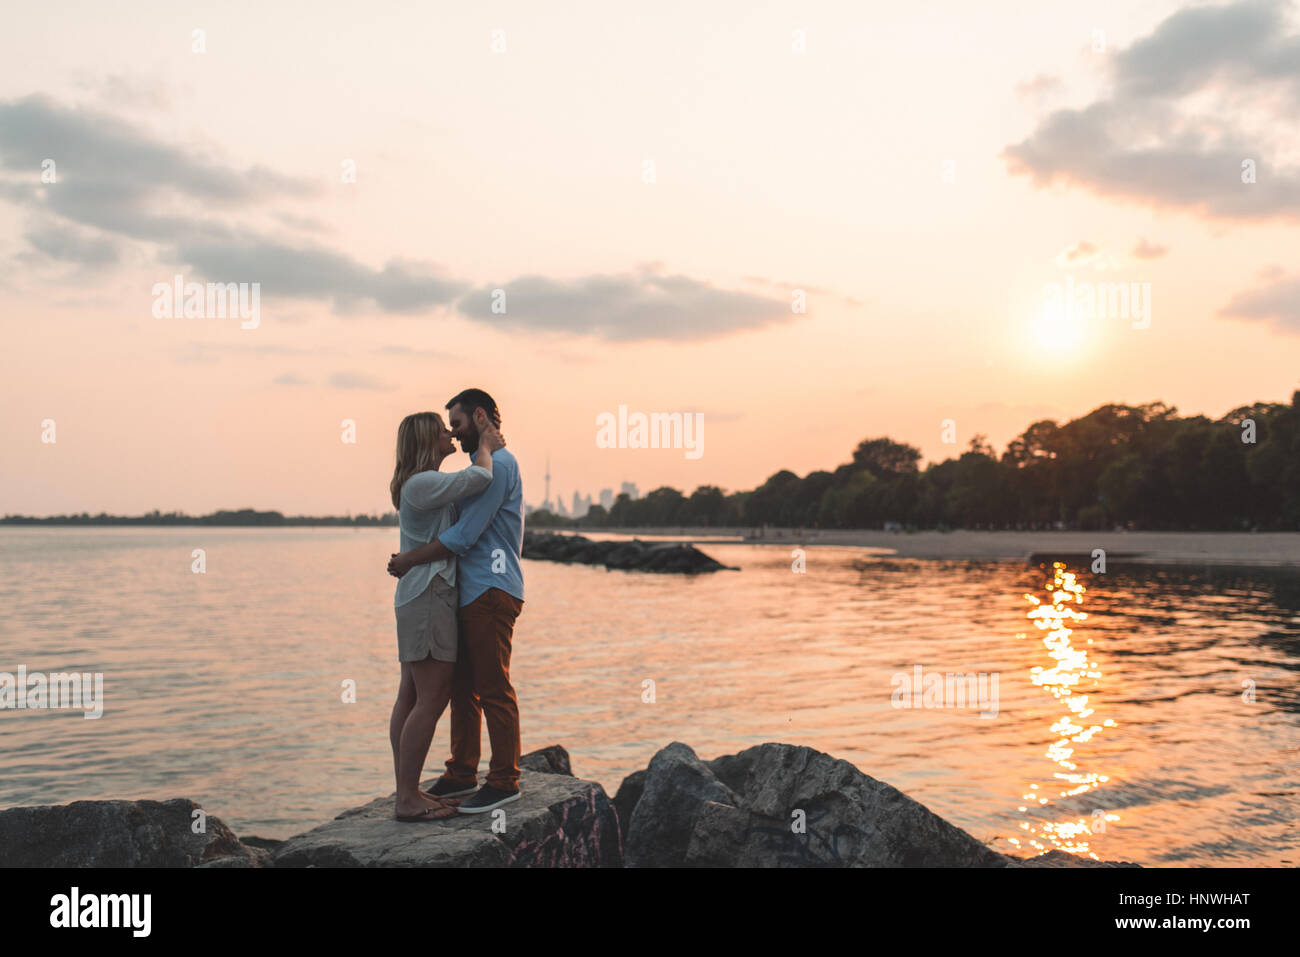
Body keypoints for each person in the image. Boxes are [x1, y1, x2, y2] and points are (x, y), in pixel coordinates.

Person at [388, 388, 525, 815]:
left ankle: (504, 779)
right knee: (461, 688)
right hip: (462, 592)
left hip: (489, 586)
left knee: (490, 687)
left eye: (458, 423)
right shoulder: (462, 471)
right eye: (447, 427)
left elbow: (464, 536)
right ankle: (462, 772)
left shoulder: (497, 464)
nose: (452, 432)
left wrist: (410, 558)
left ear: (480, 417)